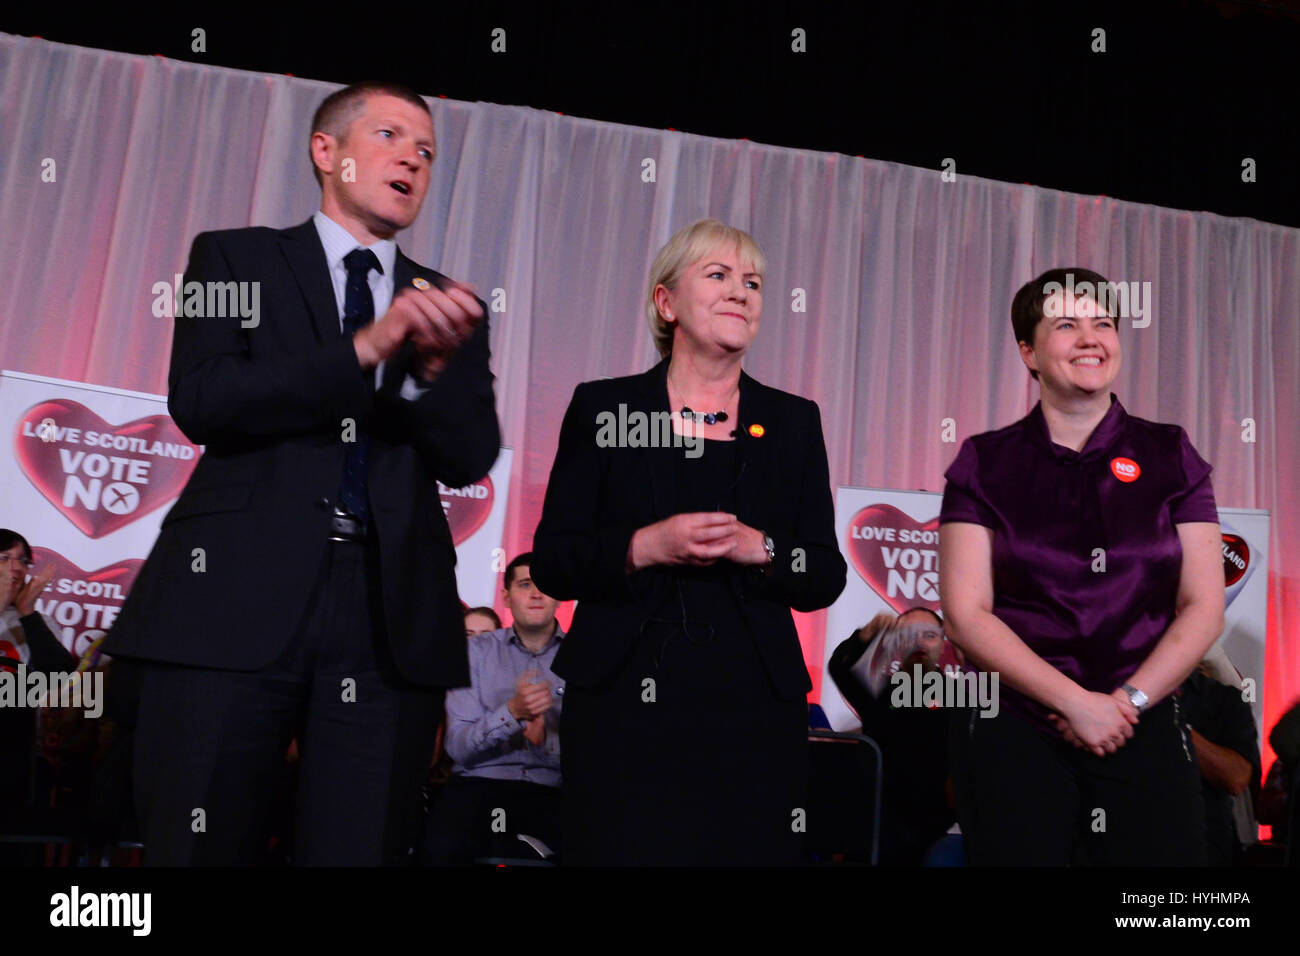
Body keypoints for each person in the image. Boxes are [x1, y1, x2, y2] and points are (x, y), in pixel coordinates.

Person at [104, 81, 499, 866]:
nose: (413, 162)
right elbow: (206, 399)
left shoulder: (448, 305)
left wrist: (420, 377)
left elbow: (469, 455)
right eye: (390, 137)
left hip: (387, 620)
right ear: (328, 152)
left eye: (426, 152)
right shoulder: (236, 255)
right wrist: (363, 351)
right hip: (232, 596)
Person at [531, 218, 846, 865]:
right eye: (719, 276)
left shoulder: (792, 421)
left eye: (753, 282)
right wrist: (642, 546)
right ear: (667, 301)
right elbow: (557, 558)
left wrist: (762, 548)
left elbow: (823, 573)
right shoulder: (603, 408)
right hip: (623, 700)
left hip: (752, 705)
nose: (742, 292)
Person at [939, 267, 1225, 866]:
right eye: (1066, 324)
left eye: (1102, 323)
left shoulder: (1171, 453)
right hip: (1017, 730)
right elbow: (967, 616)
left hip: (1140, 723)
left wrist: (1124, 702)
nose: (1090, 337)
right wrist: (1074, 702)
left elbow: (1203, 607)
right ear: (1029, 352)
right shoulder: (985, 462)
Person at [421, 553, 564, 864]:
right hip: (479, 786)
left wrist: (546, 744)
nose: (536, 593)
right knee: (439, 850)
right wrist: (512, 713)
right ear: (506, 597)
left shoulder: (581, 658)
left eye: (545, 585)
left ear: (559, 597)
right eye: (525, 584)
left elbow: (595, 756)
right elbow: (458, 747)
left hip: (552, 790)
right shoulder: (474, 652)